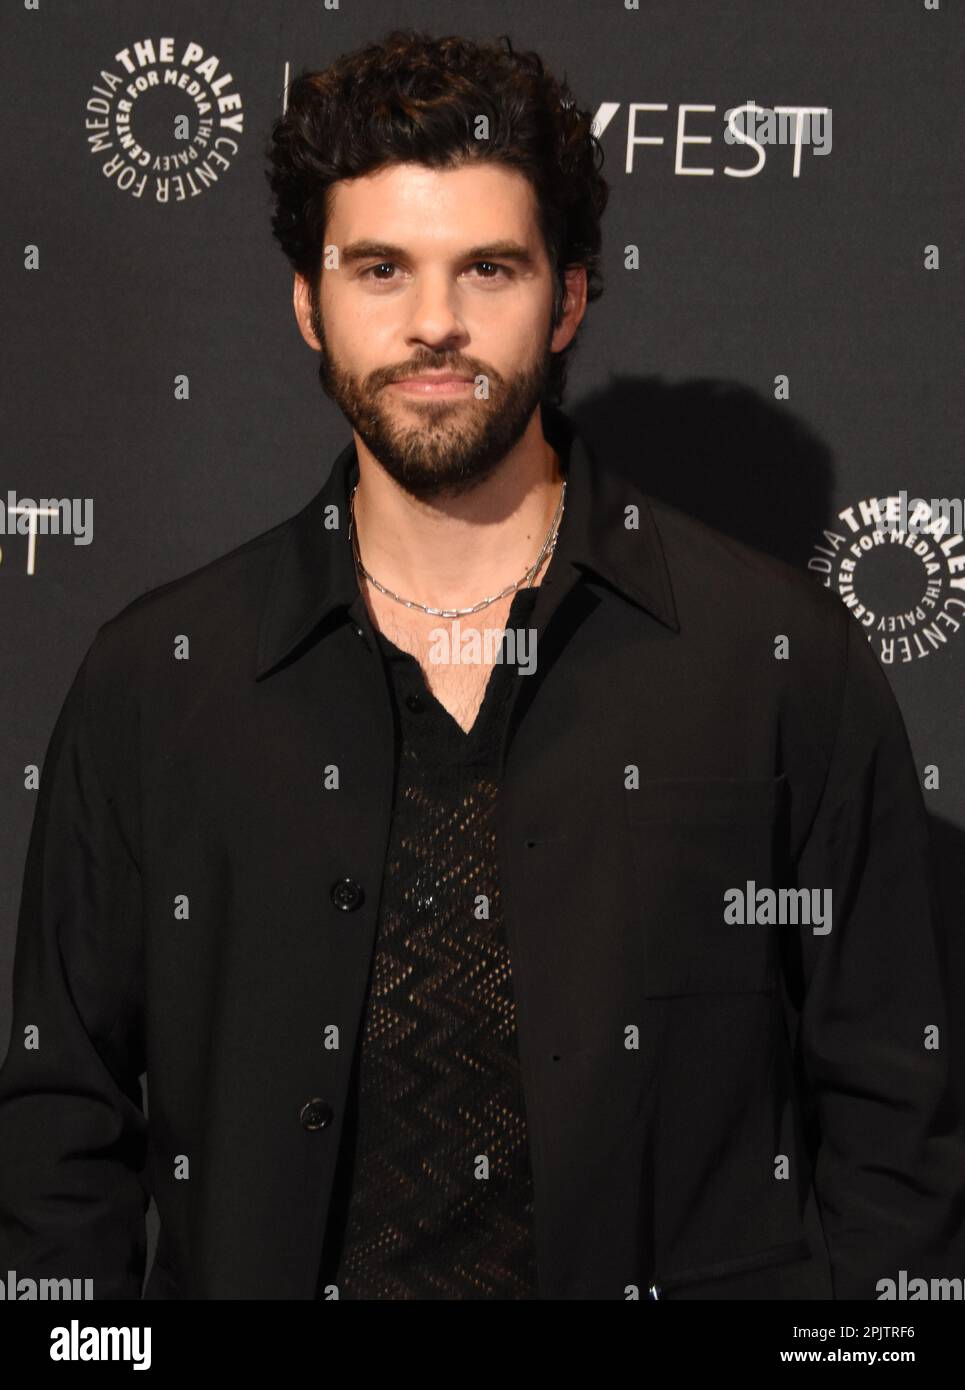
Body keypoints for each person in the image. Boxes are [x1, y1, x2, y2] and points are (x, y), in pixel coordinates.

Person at [1, 28, 963, 1301]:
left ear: (565, 297)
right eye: (381, 269)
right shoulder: (159, 678)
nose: (434, 324)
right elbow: (60, 1138)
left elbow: (896, 1115)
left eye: (489, 268)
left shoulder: (777, 657)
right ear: (308, 301)